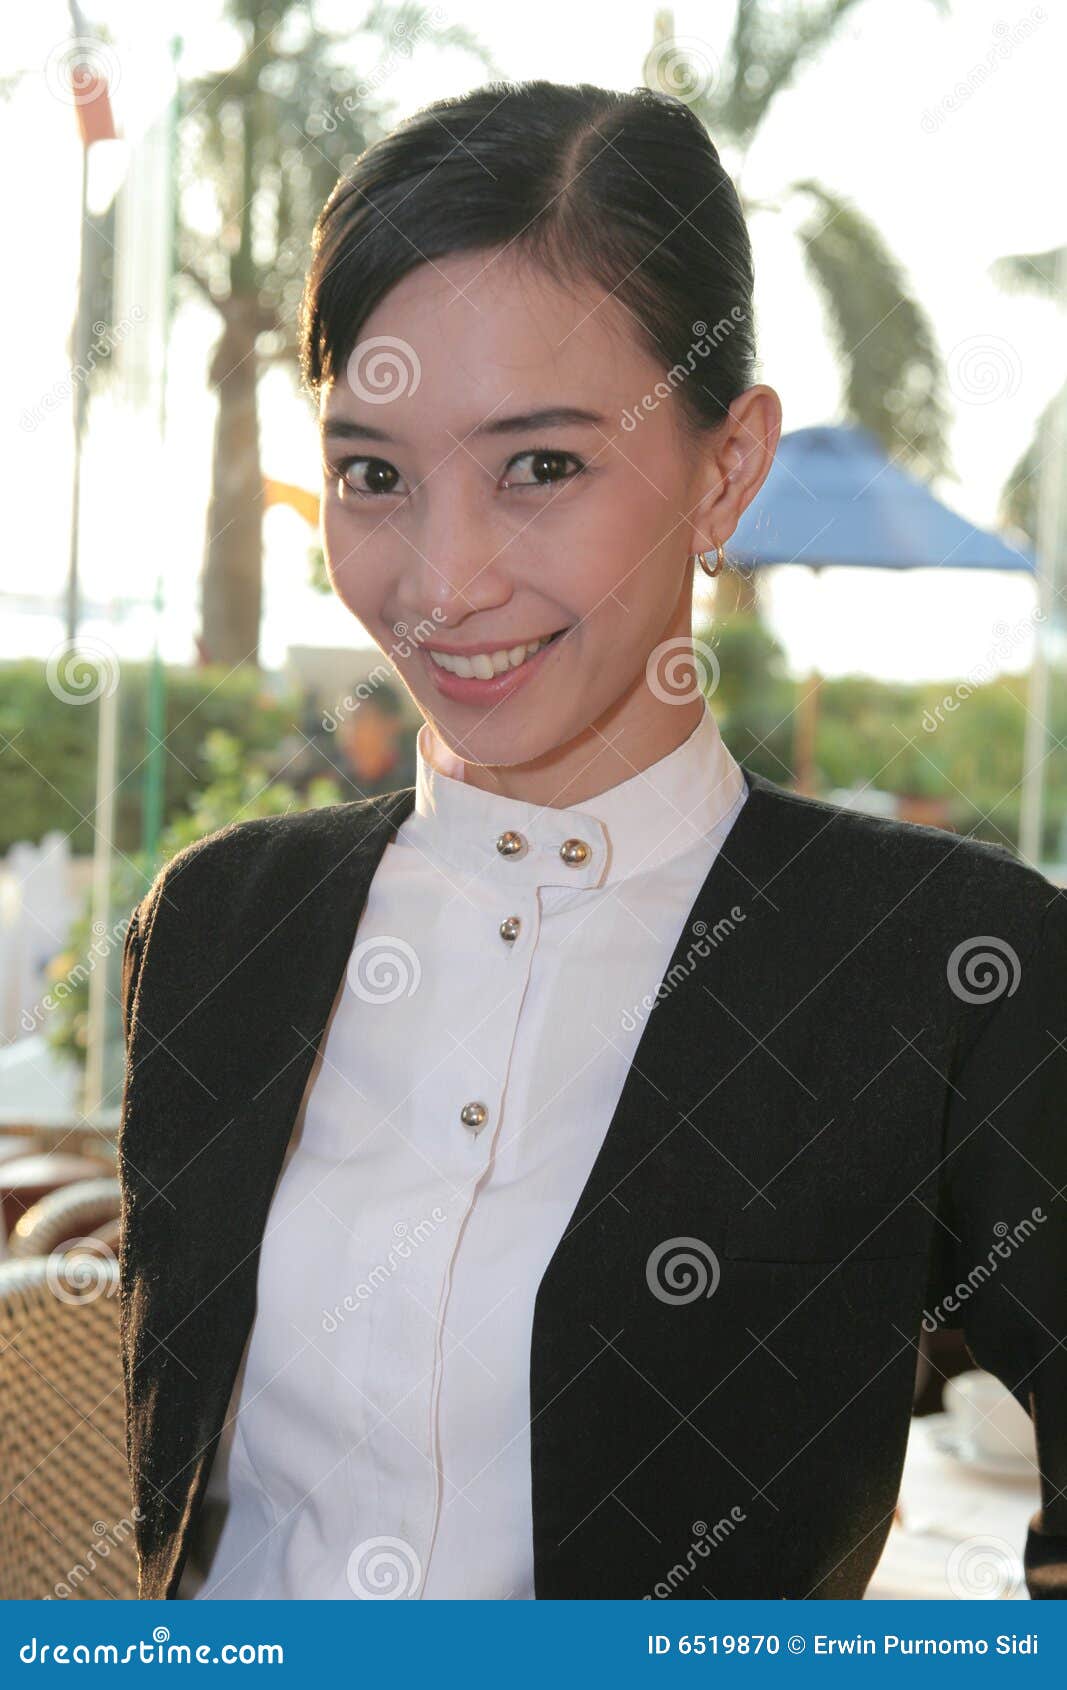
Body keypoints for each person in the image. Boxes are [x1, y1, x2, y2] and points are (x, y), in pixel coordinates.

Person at [117, 79, 1067, 1602]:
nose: (442, 580)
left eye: (542, 465)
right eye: (375, 473)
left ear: (726, 469)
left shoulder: (952, 962)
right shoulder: (218, 927)